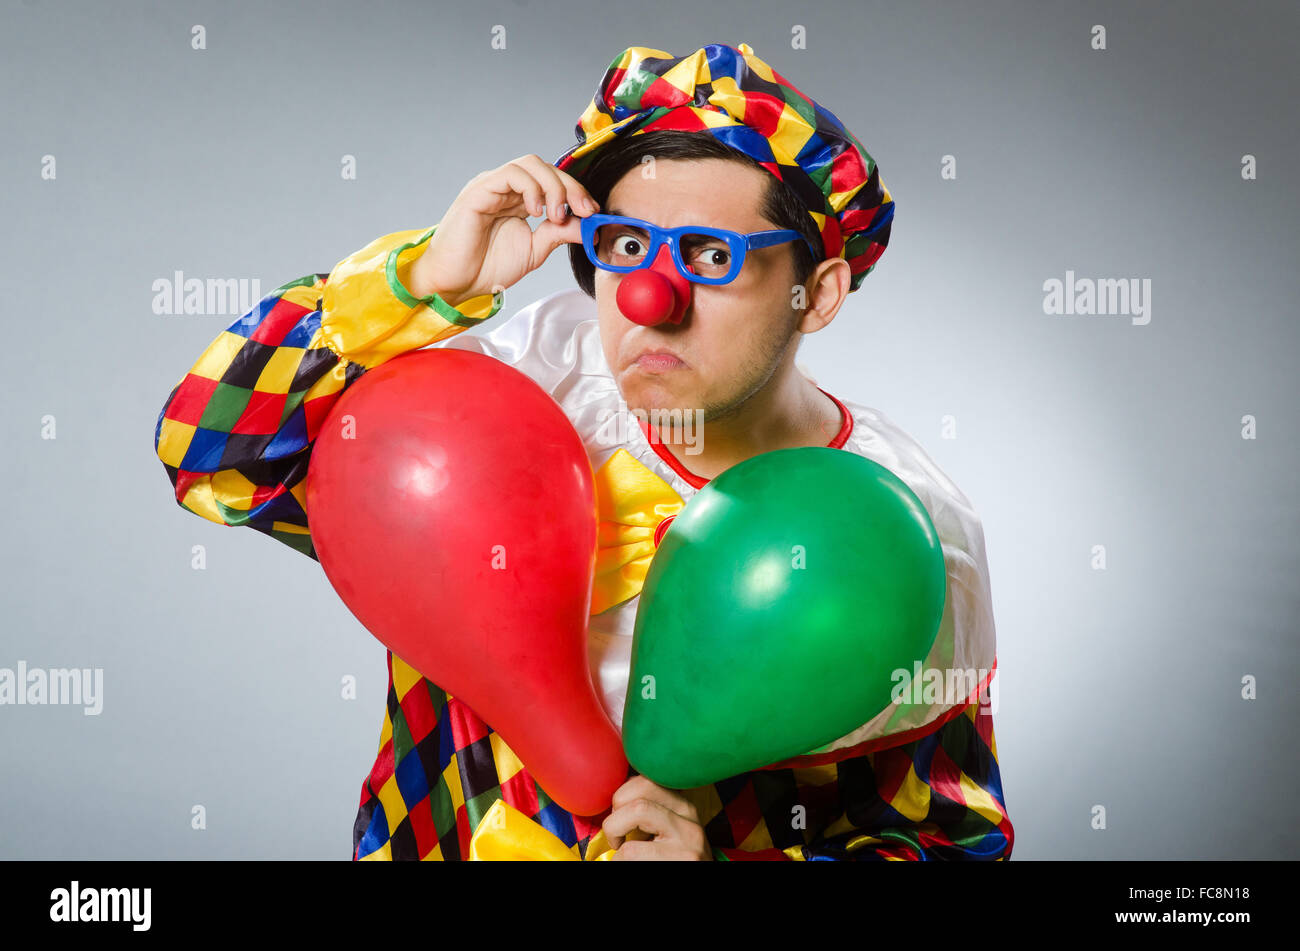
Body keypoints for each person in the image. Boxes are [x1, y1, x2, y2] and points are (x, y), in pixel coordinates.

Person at [153, 42, 1012, 861]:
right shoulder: (515, 392)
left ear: (814, 292)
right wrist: (419, 284)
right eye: (628, 246)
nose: (648, 299)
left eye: (711, 255)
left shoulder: (905, 539)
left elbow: (944, 839)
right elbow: (211, 454)